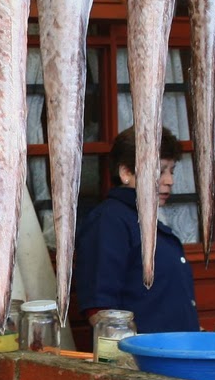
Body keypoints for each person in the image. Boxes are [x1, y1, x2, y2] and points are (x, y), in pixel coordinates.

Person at [72, 126, 200, 334]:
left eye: (171, 171)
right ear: (126, 173)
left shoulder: (143, 219)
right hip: (142, 361)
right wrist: (129, 360)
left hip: (174, 357)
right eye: (159, 171)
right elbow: (100, 309)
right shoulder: (110, 221)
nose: (170, 181)